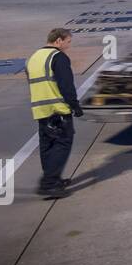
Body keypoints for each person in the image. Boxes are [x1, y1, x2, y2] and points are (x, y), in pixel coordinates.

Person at [26, 28, 83, 199]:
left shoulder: (34, 57)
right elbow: (66, 85)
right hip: (57, 109)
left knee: (47, 145)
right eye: (68, 42)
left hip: (40, 110)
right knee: (63, 143)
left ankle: (54, 178)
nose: (68, 46)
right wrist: (75, 106)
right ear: (58, 40)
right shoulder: (58, 57)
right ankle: (49, 183)